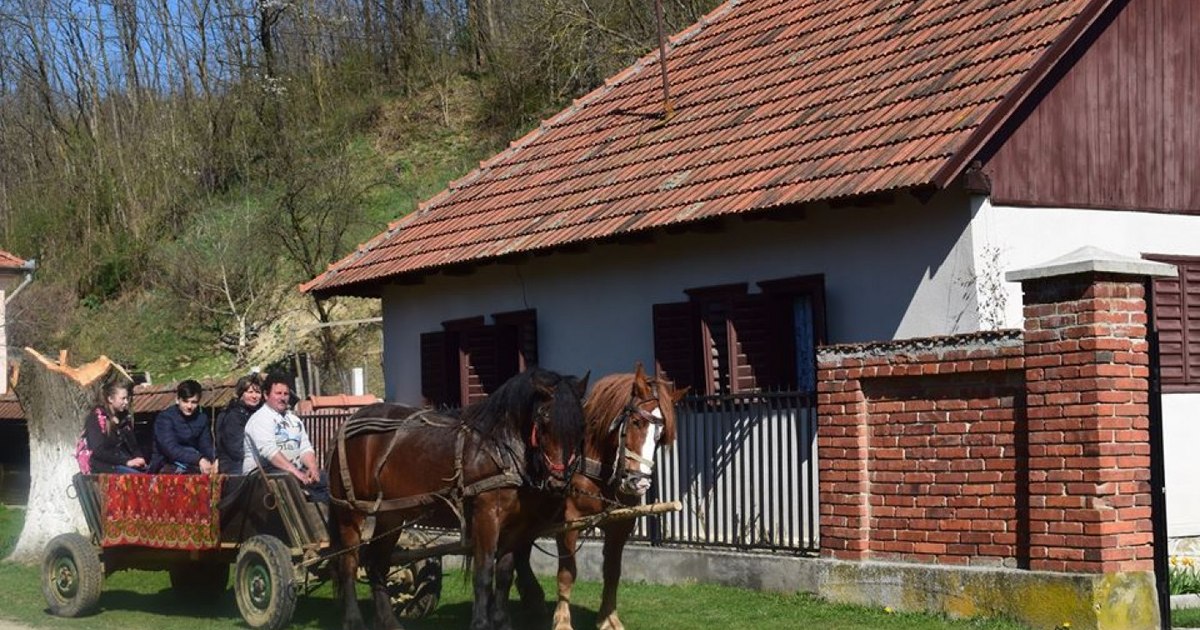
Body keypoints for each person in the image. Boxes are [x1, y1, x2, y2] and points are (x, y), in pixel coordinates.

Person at [243, 373, 327, 501]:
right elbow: (269, 451)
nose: (282, 398)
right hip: (261, 476)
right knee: (288, 481)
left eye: (285, 394)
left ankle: (327, 517)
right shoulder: (260, 419)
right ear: (266, 395)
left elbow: (305, 448)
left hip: (291, 473)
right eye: (278, 393)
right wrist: (297, 473)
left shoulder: (294, 420)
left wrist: (312, 468)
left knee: (329, 480)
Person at [151, 379, 216, 474]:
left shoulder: (201, 419)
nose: (189, 406)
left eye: (194, 402)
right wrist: (198, 459)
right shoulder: (164, 419)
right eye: (185, 401)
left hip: (193, 462)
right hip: (166, 463)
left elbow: (206, 445)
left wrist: (215, 459)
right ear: (177, 400)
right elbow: (170, 449)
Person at [83, 381, 147, 474]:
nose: (126, 402)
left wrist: (139, 459)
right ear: (110, 399)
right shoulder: (97, 419)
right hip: (105, 467)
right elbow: (98, 451)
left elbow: (133, 446)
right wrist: (126, 462)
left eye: (127, 398)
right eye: (123, 398)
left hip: (122, 462)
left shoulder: (123, 418)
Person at [215, 373, 263, 474]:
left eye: (258, 392)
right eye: (250, 392)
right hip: (235, 467)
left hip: (257, 461)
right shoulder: (232, 416)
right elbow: (237, 449)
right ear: (241, 394)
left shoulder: (260, 414)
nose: (254, 396)